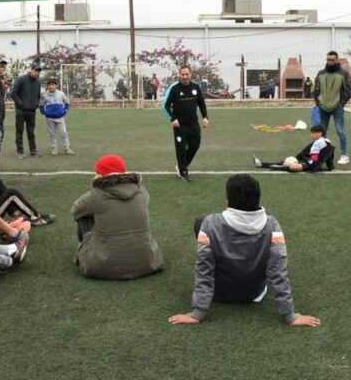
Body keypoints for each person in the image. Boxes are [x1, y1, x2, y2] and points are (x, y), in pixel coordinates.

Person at [168, 174, 320, 327]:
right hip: (255, 292)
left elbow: (204, 269)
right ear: (258, 200)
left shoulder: (209, 223)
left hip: (218, 294)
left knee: (200, 220)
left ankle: (206, 300)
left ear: (228, 202)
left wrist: (198, 314)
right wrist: (290, 316)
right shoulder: (272, 224)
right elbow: (278, 271)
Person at [71, 154, 164, 280]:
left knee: (84, 216)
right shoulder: (141, 190)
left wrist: (94, 187)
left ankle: (85, 251)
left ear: (101, 174)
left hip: (103, 266)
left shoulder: (96, 195)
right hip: (148, 262)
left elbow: (76, 211)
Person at [162, 64, 209, 182]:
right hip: (180, 125)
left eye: (187, 74)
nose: (185, 77)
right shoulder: (174, 88)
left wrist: (205, 117)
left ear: (191, 74)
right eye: (182, 74)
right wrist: (173, 119)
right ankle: (183, 171)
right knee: (181, 149)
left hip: (193, 124)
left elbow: (201, 103)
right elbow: (165, 106)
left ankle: (181, 166)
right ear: (179, 74)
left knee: (195, 146)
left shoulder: (196, 87)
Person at [313, 51, 351, 165]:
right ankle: (322, 154)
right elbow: (316, 90)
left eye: (332, 60)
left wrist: (341, 103)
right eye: (328, 60)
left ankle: (344, 155)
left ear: (336, 60)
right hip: (323, 107)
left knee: (340, 131)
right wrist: (318, 102)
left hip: (337, 108)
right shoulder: (320, 73)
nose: (329, 62)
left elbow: (349, 90)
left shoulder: (343, 74)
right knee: (322, 132)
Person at [252, 125, 335, 172]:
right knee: (289, 161)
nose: (311, 135)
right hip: (309, 163)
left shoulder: (319, 143)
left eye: (313, 133)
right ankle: (263, 164)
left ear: (319, 133)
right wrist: (330, 167)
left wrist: (306, 164)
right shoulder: (325, 142)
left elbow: (315, 158)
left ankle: (279, 168)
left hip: (310, 165)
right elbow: (328, 154)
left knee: (295, 167)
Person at [11, 61, 43, 159]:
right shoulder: (21, 79)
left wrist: (36, 104)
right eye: (36, 70)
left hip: (32, 111)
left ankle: (33, 150)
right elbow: (13, 93)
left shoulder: (38, 83)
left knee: (31, 131)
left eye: (39, 71)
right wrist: (20, 104)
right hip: (21, 111)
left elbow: (38, 96)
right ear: (31, 70)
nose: (37, 72)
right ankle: (20, 151)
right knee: (19, 131)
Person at [39, 79, 74, 155]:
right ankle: (54, 148)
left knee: (64, 133)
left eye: (53, 84)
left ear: (56, 85)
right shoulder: (44, 95)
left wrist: (64, 111)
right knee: (52, 134)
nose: (51, 86)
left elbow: (67, 103)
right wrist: (44, 113)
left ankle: (67, 148)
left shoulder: (61, 94)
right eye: (49, 85)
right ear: (47, 86)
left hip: (60, 117)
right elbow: (41, 105)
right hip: (49, 118)